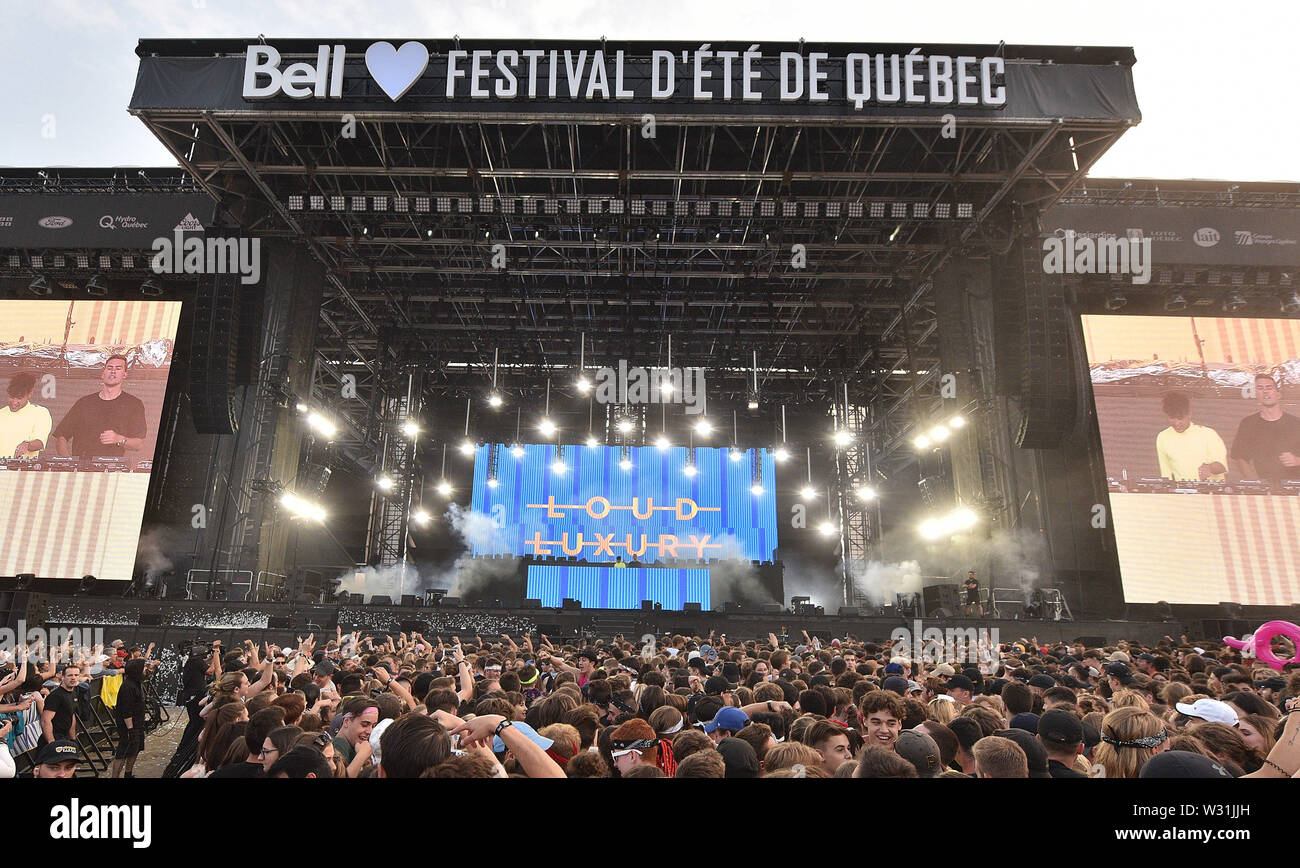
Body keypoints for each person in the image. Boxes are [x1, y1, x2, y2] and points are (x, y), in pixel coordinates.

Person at [52, 354, 147, 461]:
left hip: (111, 469)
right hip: (80, 469)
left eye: (118, 368)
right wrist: (69, 462)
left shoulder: (133, 404)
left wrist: (118, 439)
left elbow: (138, 444)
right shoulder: (84, 403)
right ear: (103, 373)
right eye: (109, 368)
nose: (113, 371)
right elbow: (61, 436)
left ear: (125, 375)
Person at [1230, 373, 1300, 484]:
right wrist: (1255, 482)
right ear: (1256, 394)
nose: (1265, 391)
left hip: (1295, 488)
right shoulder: (1248, 424)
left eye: (1269, 388)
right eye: (1260, 388)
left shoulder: (1296, 424)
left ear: (1278, 394)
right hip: (1264, 491)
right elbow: (1240, 457)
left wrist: (1297, 460)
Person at [1155, 391, 1226, 481]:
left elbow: (1222, 466)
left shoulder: (1208, 434)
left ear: (1189, 414)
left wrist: (1210, 468)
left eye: (1180, 418)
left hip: (1210, 493)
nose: (1177, 423)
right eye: (1172, 418)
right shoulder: (1163, 437)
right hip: (1182, 494)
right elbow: (1166, 476)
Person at [0, 371, 51, 458]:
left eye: (19, 398)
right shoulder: (1, 413)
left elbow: (40, 443)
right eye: (11, 397)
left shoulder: (40, 413)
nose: (14, 402)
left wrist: (27, 445)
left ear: (30, 393)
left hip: (24, 470)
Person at [110, 658, 146, 779]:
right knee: (123, 752)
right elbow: (126, 711)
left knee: (135, 749)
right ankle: (115, 776)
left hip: (137, 724)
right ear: (137, 671)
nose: (146, 670)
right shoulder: (128, 687)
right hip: (128, 725)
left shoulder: (137, 683)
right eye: (143, 668)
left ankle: (128, 774)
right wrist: (130, 729)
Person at [41, 665, 80, 746]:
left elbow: (71, 716)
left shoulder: (73, 693)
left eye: (76, 675)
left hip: (65, 737)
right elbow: (45, 720)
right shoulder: (56, 696)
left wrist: (73, 739)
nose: (73, 678)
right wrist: (51, 742)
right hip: (54, 737)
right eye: (70, 675)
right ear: (62, 677)